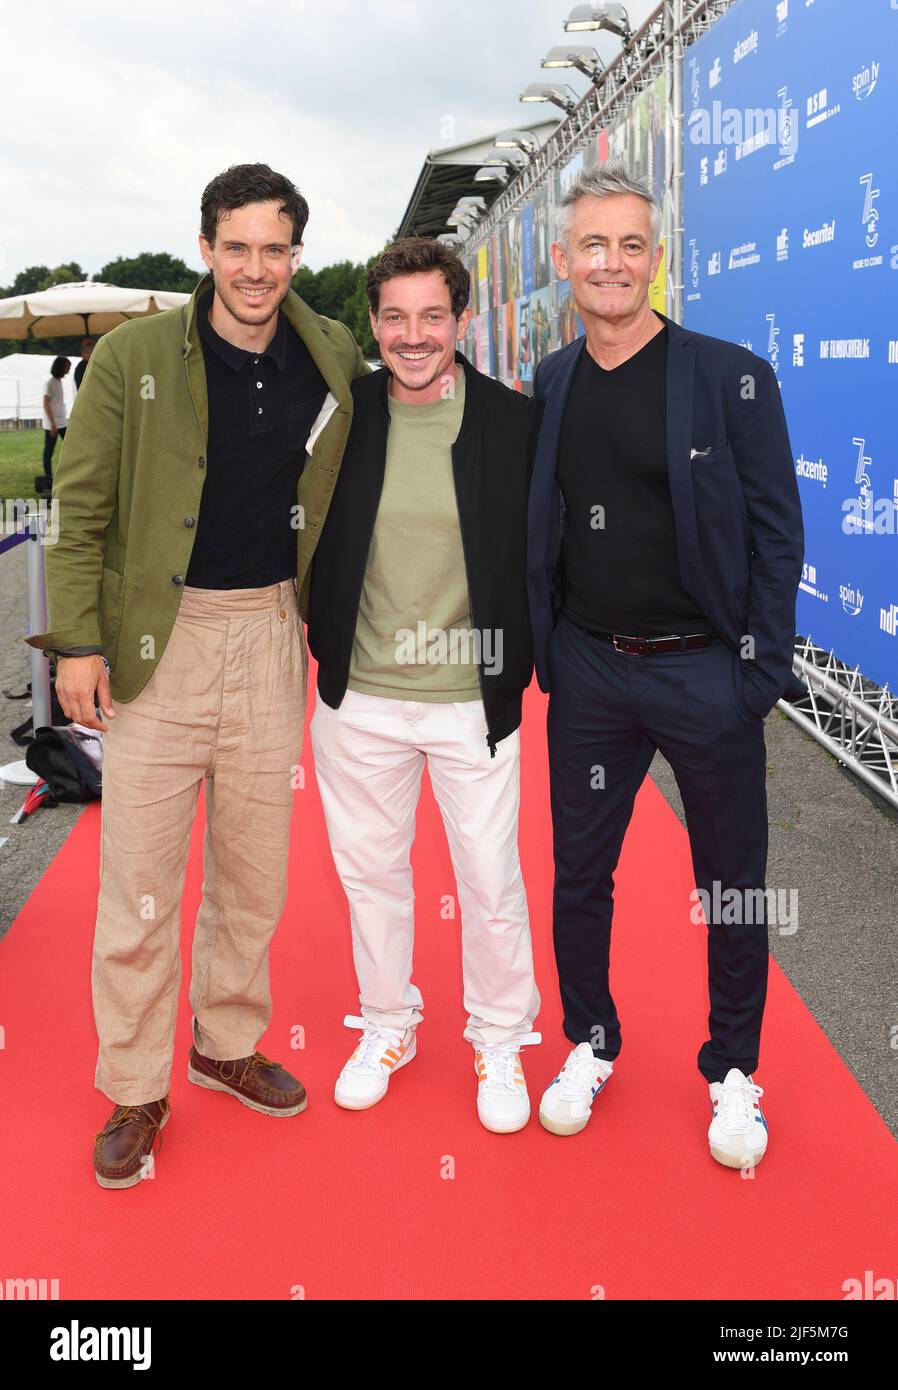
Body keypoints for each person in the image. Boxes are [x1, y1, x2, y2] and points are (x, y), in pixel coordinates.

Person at [25, 162, 368, 1189]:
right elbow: (77, 514)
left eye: (275, 247)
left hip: (269, 632)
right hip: (156, 642)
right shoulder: (133, 357)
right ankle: (134, 1087)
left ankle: (226, 1041)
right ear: (206, 250)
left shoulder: (331, 353)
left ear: (294, 254)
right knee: (137, 885)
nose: (256, 267)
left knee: (253, 873)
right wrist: (77, 645)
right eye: (237, 246)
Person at [528, 163, 804, 1168]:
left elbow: (778, 532)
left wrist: (756, 674)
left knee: (733, 882)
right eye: (592, 245)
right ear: (564, 262)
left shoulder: (730, 377)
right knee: (579, 876)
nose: (611, 262)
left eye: (631, 244)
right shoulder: (550, 381)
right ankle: (588, 1042)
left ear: (659, 259)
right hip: (592, 674)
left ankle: (733, 1069)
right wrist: (550, 648)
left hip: (706, 676)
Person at [305, 237, 542, 1134]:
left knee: (488, 880)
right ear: (373, 322)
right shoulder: (344, 416)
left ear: (461, 319)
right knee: (371, 875)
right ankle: (389, 1023)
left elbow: (543, 556)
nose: (413, 335)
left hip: (469, 700)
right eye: (395, 317)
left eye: (431, 316)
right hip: (359, 697)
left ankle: (499, 1036)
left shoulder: (513, 423)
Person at [41, 356, 70, 482]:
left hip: (62, 422)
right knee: (49, 452)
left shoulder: (59, 382)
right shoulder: (49, 383)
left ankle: (69, 472)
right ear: (60, 367)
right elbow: (46, 404)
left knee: (71, 446)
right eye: (67, 366)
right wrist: (53, 424)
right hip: (52, 424)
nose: (69, 369)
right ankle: (48, 477)